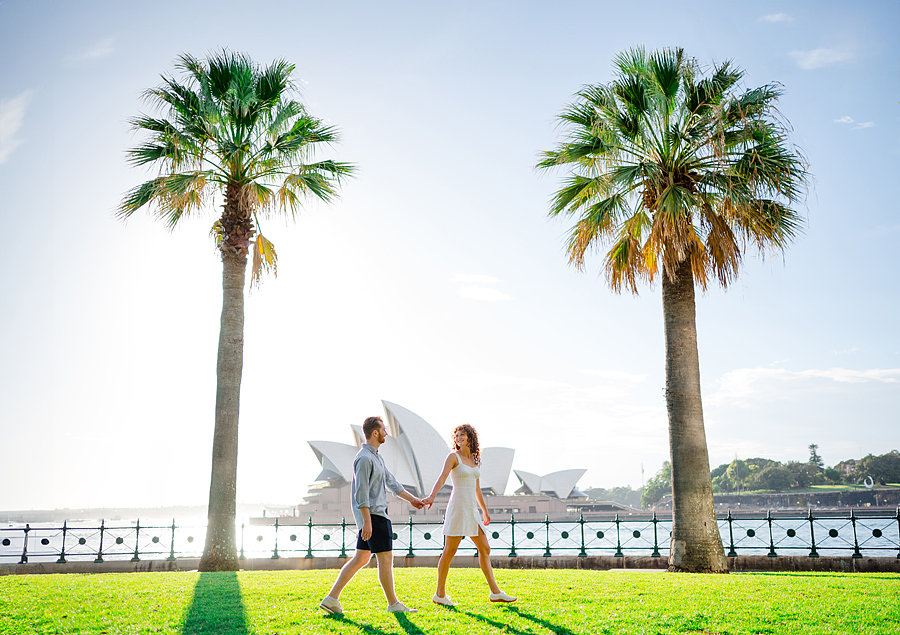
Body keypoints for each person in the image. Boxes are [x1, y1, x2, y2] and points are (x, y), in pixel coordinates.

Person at [319, 416, 425, 615]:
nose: (386, 433)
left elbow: (392, 482)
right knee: (385, 559)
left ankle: (331, 599)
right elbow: (361, 493)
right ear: (375, 432)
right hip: (374, 516)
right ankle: (393, 604)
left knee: (361, 559)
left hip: (375, 516)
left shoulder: (376, 457)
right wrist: (367, 522)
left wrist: (413, 499)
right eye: (384, 429)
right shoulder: (364, 458)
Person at [423, 424, 516, 606]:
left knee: (485, 548)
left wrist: (484, 511)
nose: (459, 438)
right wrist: (431, 496)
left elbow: (477, 488)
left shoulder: (475, 459)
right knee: (449, 552)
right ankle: (439, 594)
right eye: (457, 435)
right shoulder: (453, 457)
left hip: (471, 509)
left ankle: (495, 592)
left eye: (462, 435)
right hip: (457, 508)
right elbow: (442, 477)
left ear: (470, 437)